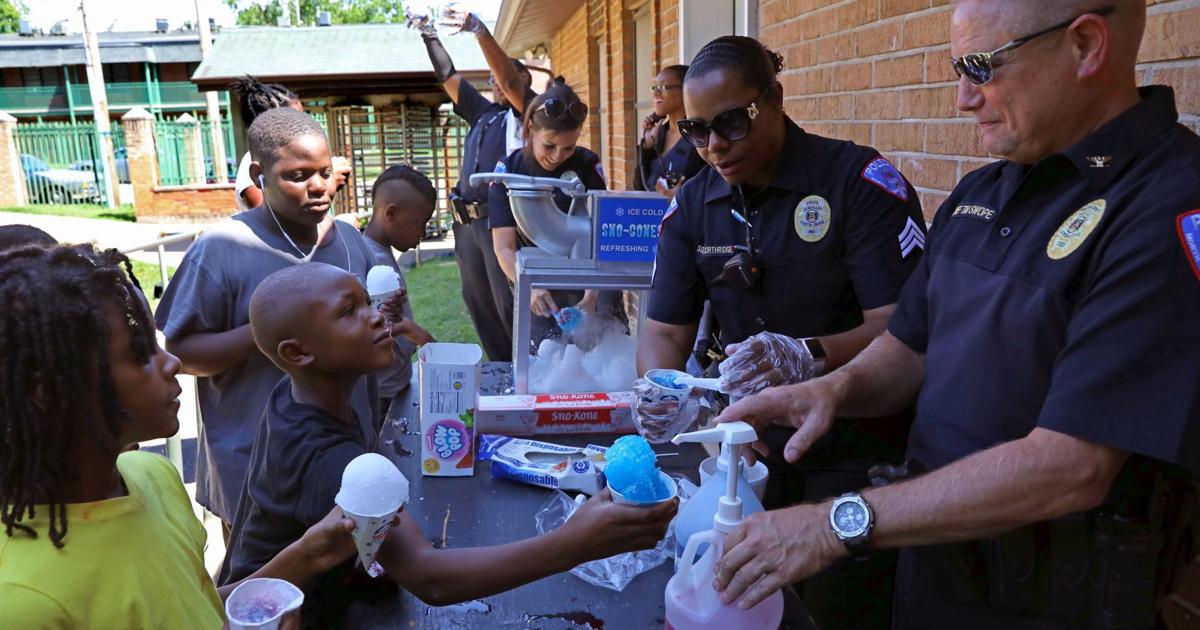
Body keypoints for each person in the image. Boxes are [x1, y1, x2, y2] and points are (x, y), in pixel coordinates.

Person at [711, 2, 1200, 628]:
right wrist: (832, 389)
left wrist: (837, 522)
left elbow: (1071, 468)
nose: (963, 98)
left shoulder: (1166, 207)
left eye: (981, 67)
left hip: (1052, 603)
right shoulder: (984, 191)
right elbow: (912, 346)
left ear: (1085, 45)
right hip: (932, 578)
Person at [634, 36, 926, 628]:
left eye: (730, 123)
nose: (713, 146)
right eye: (694, 129)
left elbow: (905, 328)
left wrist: (808, 355)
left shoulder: (858, 183)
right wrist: (666, 391)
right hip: (746, 452)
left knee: (835, 611)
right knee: (736, 604)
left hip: (854, 447)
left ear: (774, 100)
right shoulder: (693, 205)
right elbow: (664, 331)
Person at [219, 262, 677, 625]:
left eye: (367, 301)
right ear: (297, 353)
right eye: (349, 311)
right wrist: (573, 543)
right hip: (278, 616)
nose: (377, 316)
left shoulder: (305, 388)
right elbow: (429, 579)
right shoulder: (324, 457)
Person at [0, 243, 361, 628]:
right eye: (140, 354)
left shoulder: (153, 476)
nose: (170, 361)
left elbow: (192, 609)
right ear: (51, 393)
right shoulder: (23, 603)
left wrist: (308, 555)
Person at [155, 107, 397, 535]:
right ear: (258, 173)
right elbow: (181, 351)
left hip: (344, 455)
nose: (319, 186)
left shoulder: (350, 243)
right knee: (260, 584)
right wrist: (269, 332)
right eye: (299, 175)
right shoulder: (223, 248)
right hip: (252, 467)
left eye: (325, 171)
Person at [410, 7, 537, 362]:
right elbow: (448, 76)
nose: (496, 82)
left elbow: (511, 83)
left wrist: (480, 31)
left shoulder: (527, 111)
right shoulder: (484, 113)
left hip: (500, 222)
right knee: (478, 301)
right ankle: (500, 369)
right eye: (492, 78)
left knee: (507, 300)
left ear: (522, 77)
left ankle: (524, 368)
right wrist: (429, 34)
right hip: (467, 224)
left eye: (503, 76)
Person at [489, 79, 624, 350]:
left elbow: (602, 232)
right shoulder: (509, 169)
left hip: (591, 278)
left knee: (606, 358)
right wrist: (529, 287)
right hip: (538, 286)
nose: (557, 156)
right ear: (530, 129)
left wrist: (592, 295)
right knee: (546, 359)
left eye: (569, 147)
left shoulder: (587, 164)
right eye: (549, 145)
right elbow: (504, 247)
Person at [361, 164, 438, 410]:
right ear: (390, 213)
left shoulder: (380, 254)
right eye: (420, 223)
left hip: (394, 385)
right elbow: (375, 330)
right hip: (381, 396)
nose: (423, 233)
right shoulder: (370, 262)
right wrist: (413, 331)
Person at [229, 76, 350, 212]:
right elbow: (270, 216)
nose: (304, 123)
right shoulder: (251, 163)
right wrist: (331, 182)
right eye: (296, 118)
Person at [634, 64, 706, 199]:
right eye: (655, 87)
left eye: (664, 86)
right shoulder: (658, 134)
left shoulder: (700, 137)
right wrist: (647, 146)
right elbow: (639, 187)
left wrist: (681, 199)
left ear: (685, 90)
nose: (656, 93)